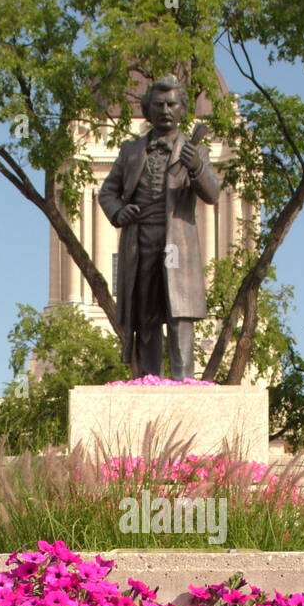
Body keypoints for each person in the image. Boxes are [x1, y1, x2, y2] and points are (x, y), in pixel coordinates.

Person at [98, 75, 220, 380]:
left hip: (176, 242)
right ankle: (150, 378)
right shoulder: (130, 151)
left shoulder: (195, 151)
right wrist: (120, 211)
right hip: (140, 241)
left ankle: (183, 380)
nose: (165, 110)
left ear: (182, 110)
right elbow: (107, 192)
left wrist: (196, 167)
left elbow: (212, 194)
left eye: (172, 104)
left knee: (179, 312)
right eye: (159, 104)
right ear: (148, 110)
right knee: (146, 314)